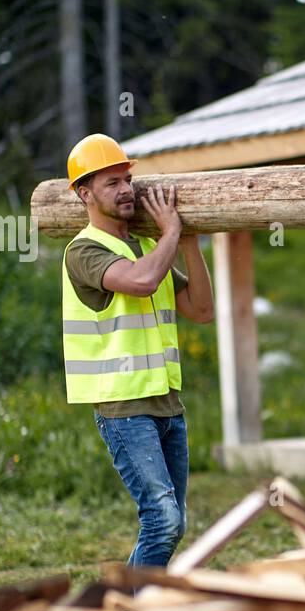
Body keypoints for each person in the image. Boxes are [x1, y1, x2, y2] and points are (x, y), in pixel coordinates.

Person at [61, 133, 215, 567]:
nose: (127, 189)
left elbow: (201, 310)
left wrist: (185, 242)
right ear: (84, 193)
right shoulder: (83, 251)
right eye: (112, 183)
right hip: (123, 407)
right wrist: (171, 232)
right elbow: (142, 281)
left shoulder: (150, 249)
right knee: (162, 519)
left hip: (167, 404)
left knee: (175, 521)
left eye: (127, 178)